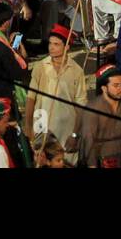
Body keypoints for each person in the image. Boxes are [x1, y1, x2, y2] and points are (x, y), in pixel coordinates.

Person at [24, 23, 86, 153]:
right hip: (41, 124)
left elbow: (81, 106)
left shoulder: (77, 71)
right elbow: (30, 98)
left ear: (67, 46)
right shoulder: (40, 66)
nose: (51, 48)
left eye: (56, 44)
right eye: (50, 43)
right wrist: (28, 126)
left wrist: (75, 134)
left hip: (66, 128)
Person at [76, 64, 121, 168]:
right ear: (104, 88)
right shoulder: (93, 108)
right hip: (100, 157)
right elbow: (89, 141)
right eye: (116, 86)